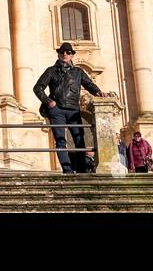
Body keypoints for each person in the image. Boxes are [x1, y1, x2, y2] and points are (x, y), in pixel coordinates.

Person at [33, 42, 105, 174]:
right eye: (62, 52)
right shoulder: (51, 71)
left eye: (68, 52)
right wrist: (49, 102)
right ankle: (67, 170)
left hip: (73, 110)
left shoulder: (78, 72)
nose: (65, 54)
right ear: (59, 54)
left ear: (72, 55)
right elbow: (38, 88)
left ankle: (82, 171)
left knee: (79, 140)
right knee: (60, 140)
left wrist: (98, 92)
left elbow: (89, 84)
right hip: (57, 110)